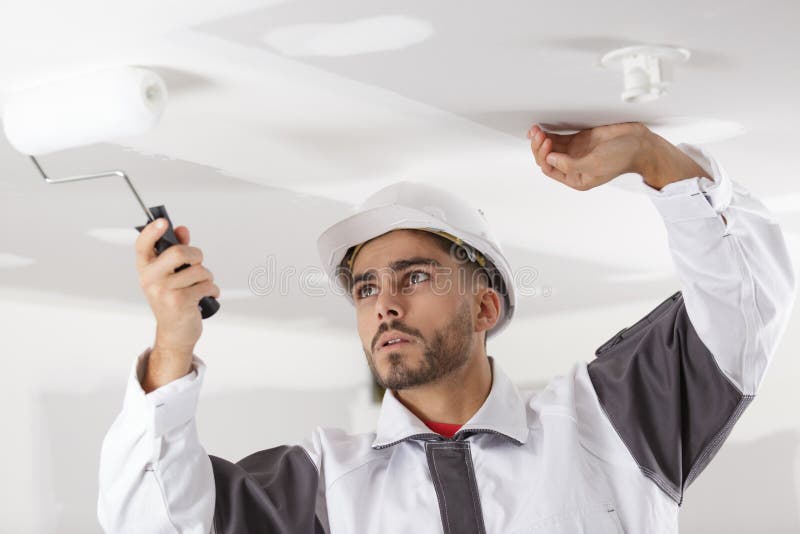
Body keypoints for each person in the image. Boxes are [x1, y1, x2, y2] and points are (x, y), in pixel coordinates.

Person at [97, 122, 795, 533]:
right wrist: (172, 347)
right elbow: (152, 522)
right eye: (366, 287)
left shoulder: (608, 423)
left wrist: (655, 158)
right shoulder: (319, 485)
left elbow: (749, 303)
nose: (384, 305)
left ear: (485, 308)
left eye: (416, 276)